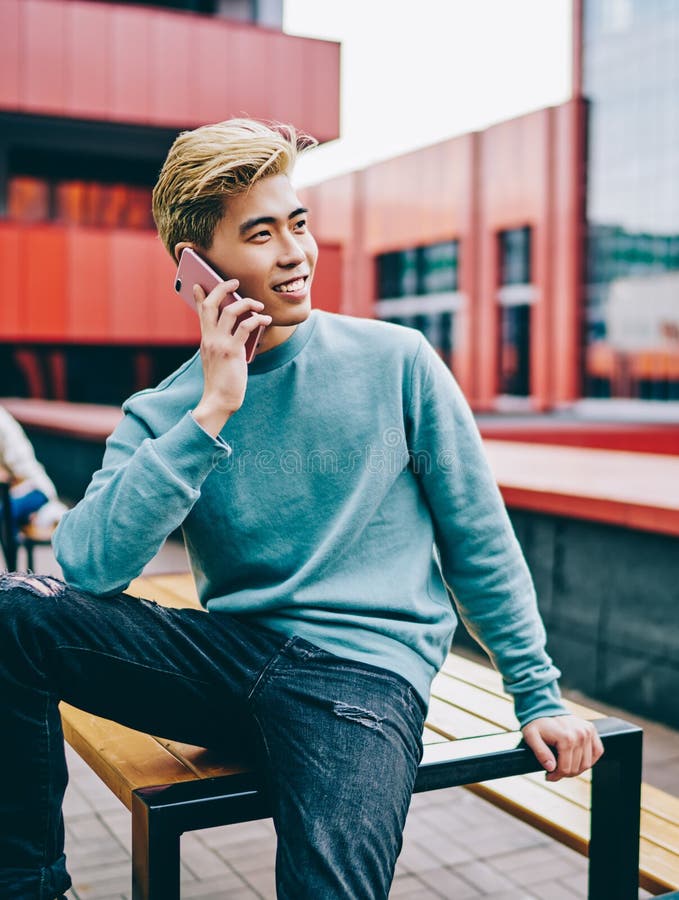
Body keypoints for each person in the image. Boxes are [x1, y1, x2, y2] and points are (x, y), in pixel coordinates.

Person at [0, 119, 604, 900]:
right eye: (260, 233)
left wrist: (537, 694)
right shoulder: (167, 410)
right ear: (198, 267)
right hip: (227, 661)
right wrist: (212, 411)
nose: (294, 252)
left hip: (363, 679)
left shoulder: (396, 362)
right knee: (13, 613)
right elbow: (86, 567)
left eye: (298, 223)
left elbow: (476, 538)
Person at [0, 405, 67, 538]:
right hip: (14, 491)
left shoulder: (2, 422)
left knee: (4, 514)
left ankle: (14, 554)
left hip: (34, 489)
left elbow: (14, 473)